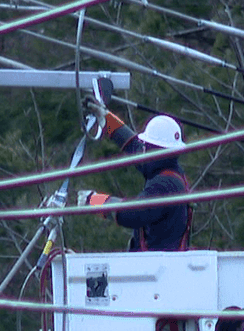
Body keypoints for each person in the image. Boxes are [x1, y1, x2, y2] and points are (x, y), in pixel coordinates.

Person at [77, 97, 192, 252]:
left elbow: (132, 213)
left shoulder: (165, 184)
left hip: (159, 267)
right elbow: (133, 146)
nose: (142, 150)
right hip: (159, 263)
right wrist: (106, 118)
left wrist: (94, 200)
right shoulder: (169, 169)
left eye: (146, 147)